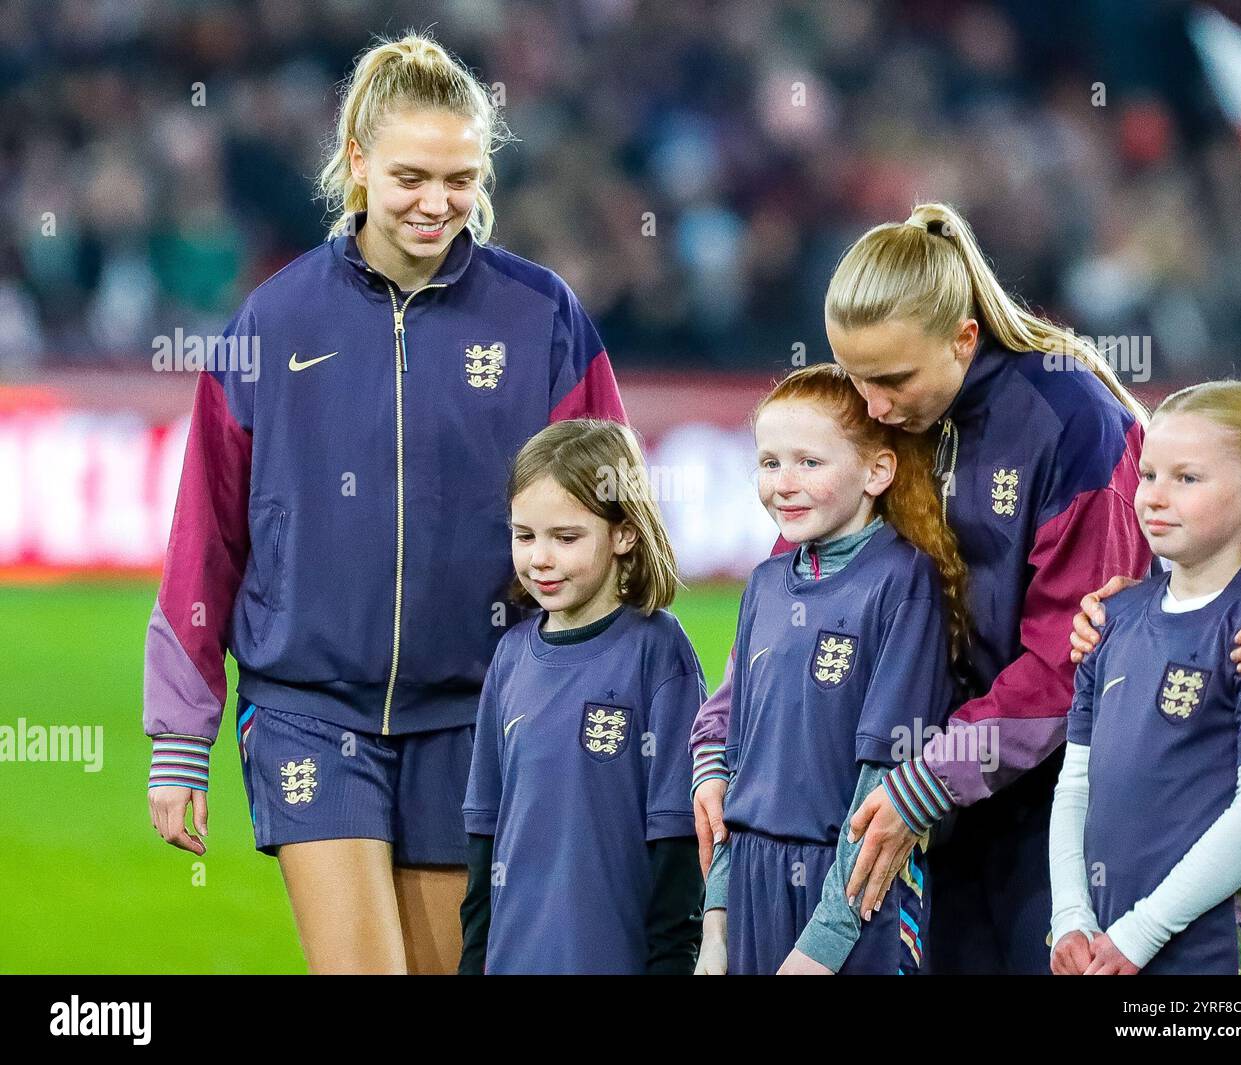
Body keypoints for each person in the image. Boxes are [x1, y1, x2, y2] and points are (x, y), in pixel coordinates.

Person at [144, 33, 624, 974]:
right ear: (357, 159)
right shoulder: (271, 323)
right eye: (411, 175)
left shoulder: (545, 317)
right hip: (305, 709)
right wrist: (179, 735)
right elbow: (208, 531)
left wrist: (607, 703)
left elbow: (616, 524)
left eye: (462, 177)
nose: (438, 203)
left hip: (480, 712)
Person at [690, 202, 1152, 973]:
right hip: (918, 801)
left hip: (1061, 809)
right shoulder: (884, 403)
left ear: (963, 338)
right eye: (855, 374)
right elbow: (795, 597)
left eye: (892, 379)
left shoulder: (1075, 424)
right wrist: (715, 744)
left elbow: (1071, 669)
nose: (871, 406)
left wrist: (927, 781)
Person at [693, 364, 962, 975]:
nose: (783, 483)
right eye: (769, 463)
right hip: (752, 890)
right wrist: (716, 924)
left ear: (877, 471)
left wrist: (825, 943)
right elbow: (737, 764)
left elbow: (883, 781)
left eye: (808, 463)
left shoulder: (904, 583)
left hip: (853, 893)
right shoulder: (762, 585)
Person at [1050, 380, 1241, 974]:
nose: (1155, 498)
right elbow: (1074, 787)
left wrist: (1143, 931)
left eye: (1187, 479)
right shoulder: (1109, 618)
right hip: (1106, 945)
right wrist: (1071, 918)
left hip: (1218, 952)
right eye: (1150, 475)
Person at [459, 420, 704, 974]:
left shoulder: (658, 652)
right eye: (525, 536)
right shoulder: (511, 657)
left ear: (624, 533)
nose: (540, 558)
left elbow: (676, 840)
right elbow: (484, 836)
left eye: (566, 538)